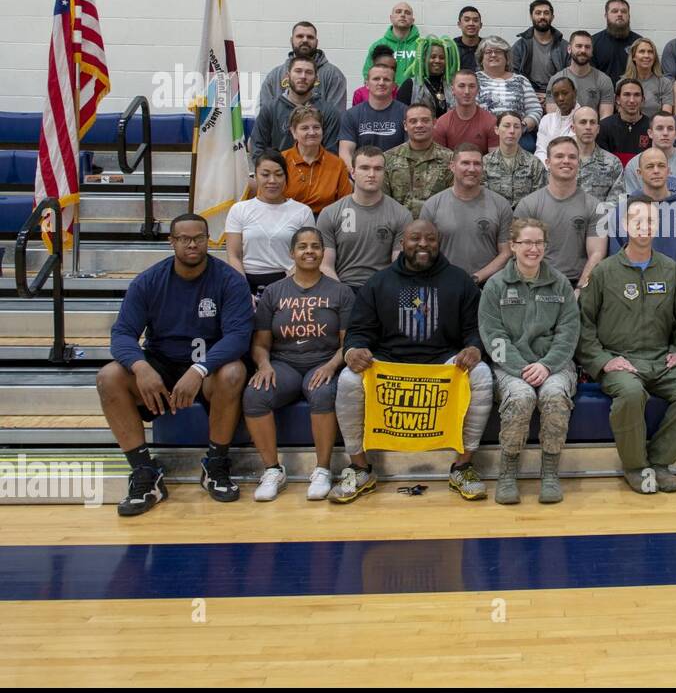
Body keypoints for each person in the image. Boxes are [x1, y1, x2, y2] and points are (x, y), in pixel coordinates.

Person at [330, 219, 495, 503]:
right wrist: (352, 350)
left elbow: (474, 329)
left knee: (480, 375)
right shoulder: (378, 282)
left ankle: (463, 466)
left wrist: (474, 347)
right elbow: (358, 331)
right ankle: (359, 468)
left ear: (438, 242)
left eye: (430, 239)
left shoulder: (460, 281)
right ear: (401, 243)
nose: (423, 244)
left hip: (442, 364)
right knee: (347, 379)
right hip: (390, 365)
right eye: (415, 238)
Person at [101, 214, 253, 516]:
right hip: (162, 366)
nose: (192, 244)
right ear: (172, 242)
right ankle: (146, 473)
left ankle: (216, 464)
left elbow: (238, 337)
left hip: (208, 369)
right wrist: (141, 368)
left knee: (235, 371)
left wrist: (199, 370)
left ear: (208, 240)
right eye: (184, 239)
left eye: (198, 238)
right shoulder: (148, 281)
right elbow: (121, 335)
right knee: (109, 377)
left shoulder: (229, 281)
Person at [578, 195, 676, 493]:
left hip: (661, 360)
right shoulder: (604, 272)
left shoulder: (670, 269)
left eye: (650, 221)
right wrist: (603, 361)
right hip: (619, 361)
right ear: (625, 225)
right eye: (636, 220)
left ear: (658, 227)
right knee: (629, 393)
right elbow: (584, 325)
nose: (643, 226)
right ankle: (636, 467)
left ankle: (660, 461)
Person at [244, 226, 354, 503]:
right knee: (255, 395)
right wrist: (264, 365)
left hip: (324, 361)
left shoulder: (341, 292)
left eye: (315, 246)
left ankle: (322, 470)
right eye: (303, 246)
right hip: (284, 364)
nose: (309, 251)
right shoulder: (273, 292)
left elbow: (348, 343)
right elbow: (259, 343)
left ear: (323, 252)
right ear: (292, 253)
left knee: (322, 393)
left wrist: (331, 366)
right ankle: (272, 471)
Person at [478, 218, 580, 505]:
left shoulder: (559, 284)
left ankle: (550, 473)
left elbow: (569, 333)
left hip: (554, 364)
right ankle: (507, 473)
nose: (533, 249)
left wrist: (547, 365)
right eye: (526, 243)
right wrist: (521, 368)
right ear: (513, 246)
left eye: (539, 243)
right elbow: (493, 337)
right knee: (521, 397)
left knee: (554, 395)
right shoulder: (496, 286)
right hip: (511, 366)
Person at [515, 136, 606, 288]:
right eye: (559, 156)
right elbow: (519, 251)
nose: (566, 161)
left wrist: (580, 289)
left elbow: (597, 254)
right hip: (537, 283)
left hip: (578, 283)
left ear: (579, 163)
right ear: (548, 163)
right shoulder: (528, 205)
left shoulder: (595, 206)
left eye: (572, 157)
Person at [608, 147, 676, 289]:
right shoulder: (623, 210)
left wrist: (664, 287)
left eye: (661, 166)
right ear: (639, 173)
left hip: (673, 292)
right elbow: (616, 258)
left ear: (669, 171)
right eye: (650, 166)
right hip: (632, 290)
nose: (656, 170)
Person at [225, 150, 315, 299]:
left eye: (279, 174)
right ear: (255, 177)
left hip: (290, 282)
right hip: (246, 282)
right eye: (265, 175)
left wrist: (287, 286)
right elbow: (234, 255)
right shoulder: (239, 210)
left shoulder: (303, 211)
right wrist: (243, 291)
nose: (272, 180)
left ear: (286, 177)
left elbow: (306, 254)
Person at [319, 146, 412, 290]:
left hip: (383, 290)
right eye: (365, 168)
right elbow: (325, 265)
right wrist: (342, 294)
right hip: (341, 288)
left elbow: (398, 266)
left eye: (378, 169)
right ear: (353, 173)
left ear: (385, 173)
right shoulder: (330, 213)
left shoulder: (401, 214)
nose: (371, 174)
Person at [418, 145, 513, 285]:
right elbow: (425, 252)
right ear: (452, 166)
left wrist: (475, 278)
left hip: (488, 287)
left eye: (477, 164)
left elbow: (506, 253)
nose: (472, 169)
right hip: (445, 284)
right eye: (465, 163)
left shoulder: (500, 204)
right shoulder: (432, 206)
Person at [250, 55, 341, 158]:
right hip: (278, 172)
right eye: (298, 71)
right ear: (287, 76)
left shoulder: (328, 112)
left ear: (316, 78)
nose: (303, 76)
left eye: (309, 72)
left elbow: (331, 154)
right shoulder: (270, 109)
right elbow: (257, 148)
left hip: (316, 173)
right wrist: (272, 171)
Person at [257, 20, 347, 114]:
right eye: (300, 36)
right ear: (291, 40)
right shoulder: (274, 76)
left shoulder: (334, 76)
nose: (305, 40)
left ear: (316, 42)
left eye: (310, 37)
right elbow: (264, 115)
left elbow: (336, 117)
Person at [383, 102, 454, 218]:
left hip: (436, 228)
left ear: (434, 123)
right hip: (399, 228)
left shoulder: (449, 158)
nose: (419, 125)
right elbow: (383, 201)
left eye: (425, 120)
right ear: (405, 125)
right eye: (413, 121)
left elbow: (453, 201)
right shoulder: (388, 158)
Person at [281, 105, 350, 214]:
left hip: (324, 224)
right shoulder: (280, 161)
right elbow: (267, 201)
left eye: (316, 127)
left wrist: (348, 229)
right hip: (286, 221)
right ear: (293, 132)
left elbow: (346, 205)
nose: (312, 132)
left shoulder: (337, 164)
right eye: (304, 128)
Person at [338, 64, 406, 169]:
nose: (381, 83)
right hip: (362, 177)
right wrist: (355, 174)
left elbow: (411, 150)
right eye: (376, 79)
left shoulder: (406, 113)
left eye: (387, 79)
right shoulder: (350, 115)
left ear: (394, 86)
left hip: (396, 177)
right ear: (366, 84)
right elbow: (345, 152)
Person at [623, 111, 676, 200]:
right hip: (644, 213)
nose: (665, 133)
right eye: (660, 128)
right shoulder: (633, 164)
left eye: (670, 129)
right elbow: (634, 204)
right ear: (650, 133)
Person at [475, 36, 542, 133]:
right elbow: (469, 110)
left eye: (498, 51)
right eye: (488, 52)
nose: (493, 55)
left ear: (507, 58)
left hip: (517, 134)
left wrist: (521, 127)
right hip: (484, 133)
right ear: (481, 59)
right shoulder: (473, 80)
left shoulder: (521, 80)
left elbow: (535, 110)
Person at [483, 110, 547, 208]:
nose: (512, 131)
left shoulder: (534, 163)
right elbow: (483, 199)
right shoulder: (485, 163)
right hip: (494, 219)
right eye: (506, 126)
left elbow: (540, 199)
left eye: (517, 127)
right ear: (496, 130)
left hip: (526, 220)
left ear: (521, 131)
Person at [508, 0, 568, 96]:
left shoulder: (564, 46)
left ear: (552, 17)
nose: (542, 16)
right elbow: (513, 74)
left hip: (557, 94)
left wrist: (549, 95)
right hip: (527, 94)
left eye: (546, 13)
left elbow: (570, 76)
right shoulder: (520, 46)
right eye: (538, 13)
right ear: (531, 16)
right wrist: (531, 94)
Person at [546, 30, 614, 116]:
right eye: (579, 46)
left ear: (592, 51)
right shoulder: (555, 80)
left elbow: (605, 118)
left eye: (587, 47)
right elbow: (552, 116)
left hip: (591, 128)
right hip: (563, 128)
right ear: (569, 49)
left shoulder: (604, 80)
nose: (583, 50)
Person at [432, 69, 500, 154]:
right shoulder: (442, 123)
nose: (467, 91)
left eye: (471, 86)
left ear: (478, 90)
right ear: (453, 90)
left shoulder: (491, 122)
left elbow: (494, 162)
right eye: (461, 86)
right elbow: (440, 161)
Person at [573, 105, 627, 205]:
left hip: (599, 219)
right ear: (573, 128)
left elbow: (618, 201)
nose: (588, 127)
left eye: (592, 122)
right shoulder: (562, 160)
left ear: (598, 129)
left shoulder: (612, 163)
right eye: (583, 122)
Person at [362, 1, 420, 86]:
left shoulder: (422, 45)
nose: (403, 15)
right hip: (385, 96)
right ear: (391, 18)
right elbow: (368, 75)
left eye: (407, 13)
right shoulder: (378, 45)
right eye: (398, 11)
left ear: (412, 20)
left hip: (414, 96)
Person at [597, 78, 653, 166]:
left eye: (637, 95)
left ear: (643, 100)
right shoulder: (604, 127)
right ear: (617, 99)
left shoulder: (652, 127)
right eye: (627, 95)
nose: (632, 100)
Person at [396, 35, 457, 115]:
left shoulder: (451, 85)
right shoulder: (410, 85)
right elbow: (400, 115)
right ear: (424, 58)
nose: (437, 60)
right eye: (433, 57)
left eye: (442, 58)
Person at [591, 0, 643, 80]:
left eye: (624, 11)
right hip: (602, 92)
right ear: (606, 15)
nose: (619, 14)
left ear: (629, 16)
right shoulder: (593, 42)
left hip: (631, 92)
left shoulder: (639, 42)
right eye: (614, 11)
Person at [621, 38, 674, 117]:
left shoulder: (665, 83)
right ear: (633, 57)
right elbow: (622, 113)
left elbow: (666, 115)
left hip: (656, 127)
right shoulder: (622, 83)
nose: (646, 55)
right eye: (642, 51)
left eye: (650, 52)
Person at [536, 76, 578, 160]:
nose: (561, 98)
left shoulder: (584, 120)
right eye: (556, 95)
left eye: (565, 93)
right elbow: (541, 151)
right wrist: (547, 169)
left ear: (574, 93)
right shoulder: (546, 120)